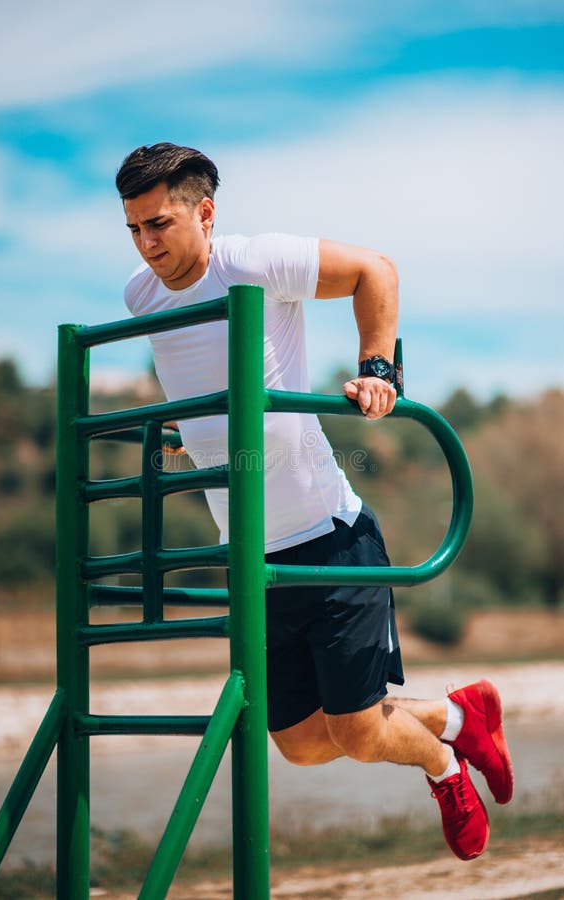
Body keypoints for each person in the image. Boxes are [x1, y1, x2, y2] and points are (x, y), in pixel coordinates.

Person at [115, 142, 513, 862]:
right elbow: (201, 381)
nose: (147, 245)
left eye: (161, 224)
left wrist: (376, 370)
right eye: (134, 228)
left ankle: (444, 765)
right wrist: (185, 432)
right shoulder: (140, 299)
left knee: (357, 731)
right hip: (253, 558)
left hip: (328, 540)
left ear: (204, 212)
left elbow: (374, 269)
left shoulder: (252, 260)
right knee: (300, 744)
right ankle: (461, 717)